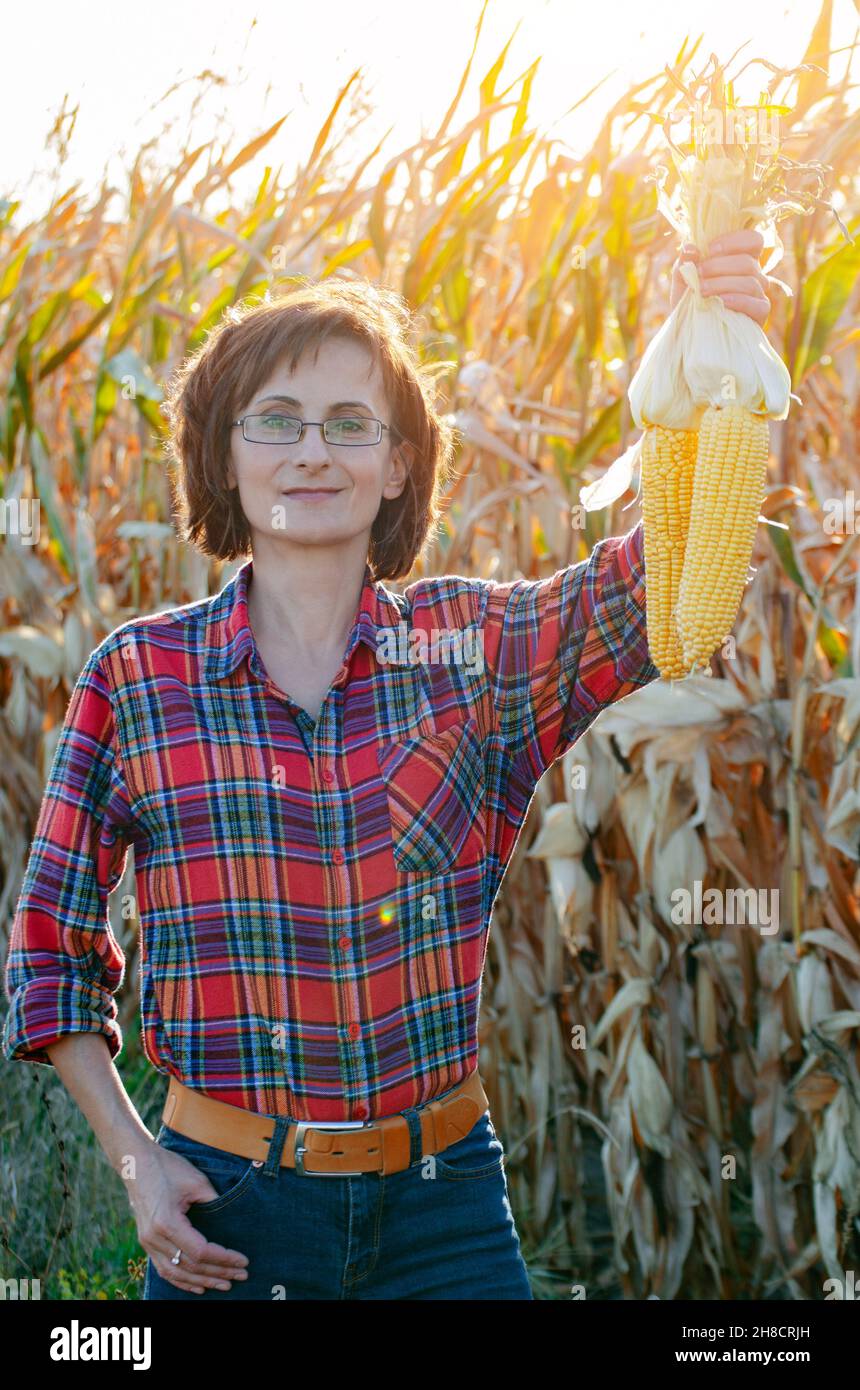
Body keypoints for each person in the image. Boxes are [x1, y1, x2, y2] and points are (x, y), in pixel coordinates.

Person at [2, 233, 773, 1299]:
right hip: (231, 1208)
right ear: (224, 455)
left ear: (399, 460)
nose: (311, 452)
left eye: (349, 425)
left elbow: (666, 595)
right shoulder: (137, 678)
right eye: (275, 421)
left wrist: (717, 341)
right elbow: (49, 948)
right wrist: (139, 1165)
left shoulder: (473, 652)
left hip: (440, 1207)